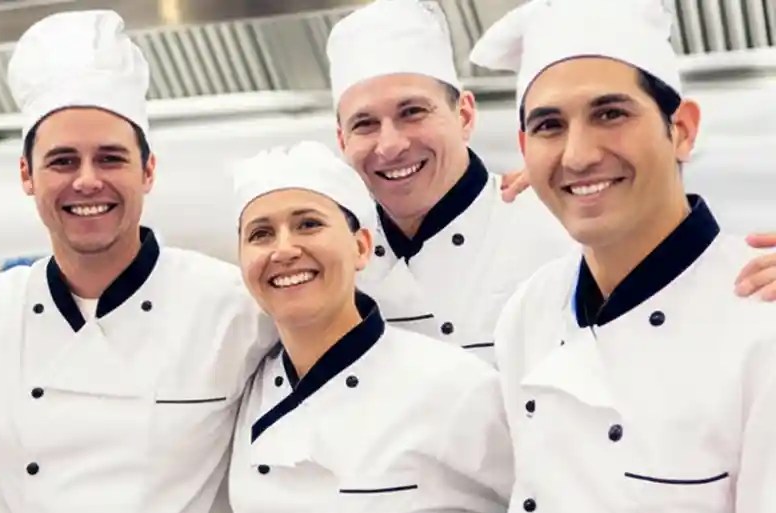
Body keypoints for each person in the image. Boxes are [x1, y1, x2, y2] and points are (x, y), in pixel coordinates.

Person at [469, 0, 776, 513]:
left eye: (610, 113)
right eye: (548, 125)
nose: (576, 154)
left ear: (682, 129)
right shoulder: (531, 312)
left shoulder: (760, 323)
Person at [0, 10, 273, 513]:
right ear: (26, 175)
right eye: (61, 161)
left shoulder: (235, 306)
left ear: (148, 169)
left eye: (110, 157)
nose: (87, 182)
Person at [222, 140, 513, 513]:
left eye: (308, 223)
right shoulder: (246, 384)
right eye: (260, 234)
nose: (284, 249)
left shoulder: (450, 387)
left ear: (360, 246)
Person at [325, 0, 776, 368]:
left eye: (413, 112)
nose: (390, 145)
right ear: (342, 140)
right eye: (365, 124)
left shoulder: (567, 228)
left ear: (464, 115)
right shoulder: (330, 261)